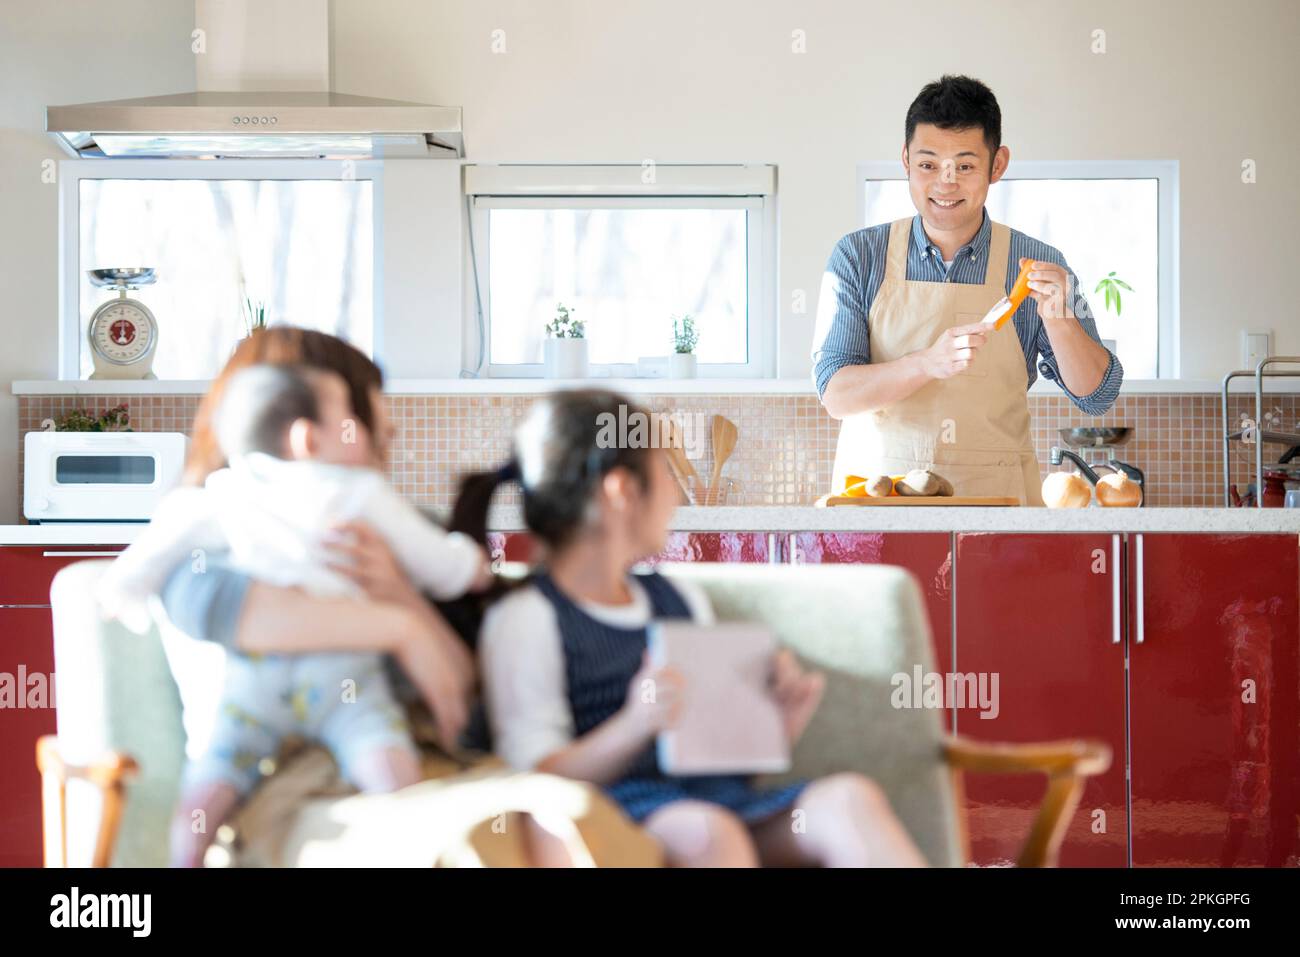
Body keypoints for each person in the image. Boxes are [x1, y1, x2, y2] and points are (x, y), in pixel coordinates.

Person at [460, 389, 927, 867]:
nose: (675, 492)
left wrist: (771, 728)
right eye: (664, 471)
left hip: (717, 805)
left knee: (848, 800)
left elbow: (713, 752)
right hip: (620, 818)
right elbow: (535, 778)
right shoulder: (528, 617)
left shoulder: (677, 599)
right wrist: (635, 724)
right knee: (710, 833)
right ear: (621, 491)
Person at [99, 363, 491, 866]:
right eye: (355, 416)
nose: (384, 434)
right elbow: (443, 564)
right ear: (307, 437)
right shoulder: (358, 493)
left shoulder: (224, 495)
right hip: (343, 677)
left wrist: (123, 592)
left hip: (252, 685)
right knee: (391, 773)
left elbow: (157, 545)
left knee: (207, 788)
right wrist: (475, 569)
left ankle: (186, 854)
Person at [812, 75, 1123, 505]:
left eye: (965, 165)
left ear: (997, 165)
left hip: (1000, 514)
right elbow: (836, 394)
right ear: (905, 160)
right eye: (927, 165)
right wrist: (927, 363)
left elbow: (1097, 396)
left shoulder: (1039, 263)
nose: (945, 183)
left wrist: (1061, 320)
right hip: (878, 509)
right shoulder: (858, 257)